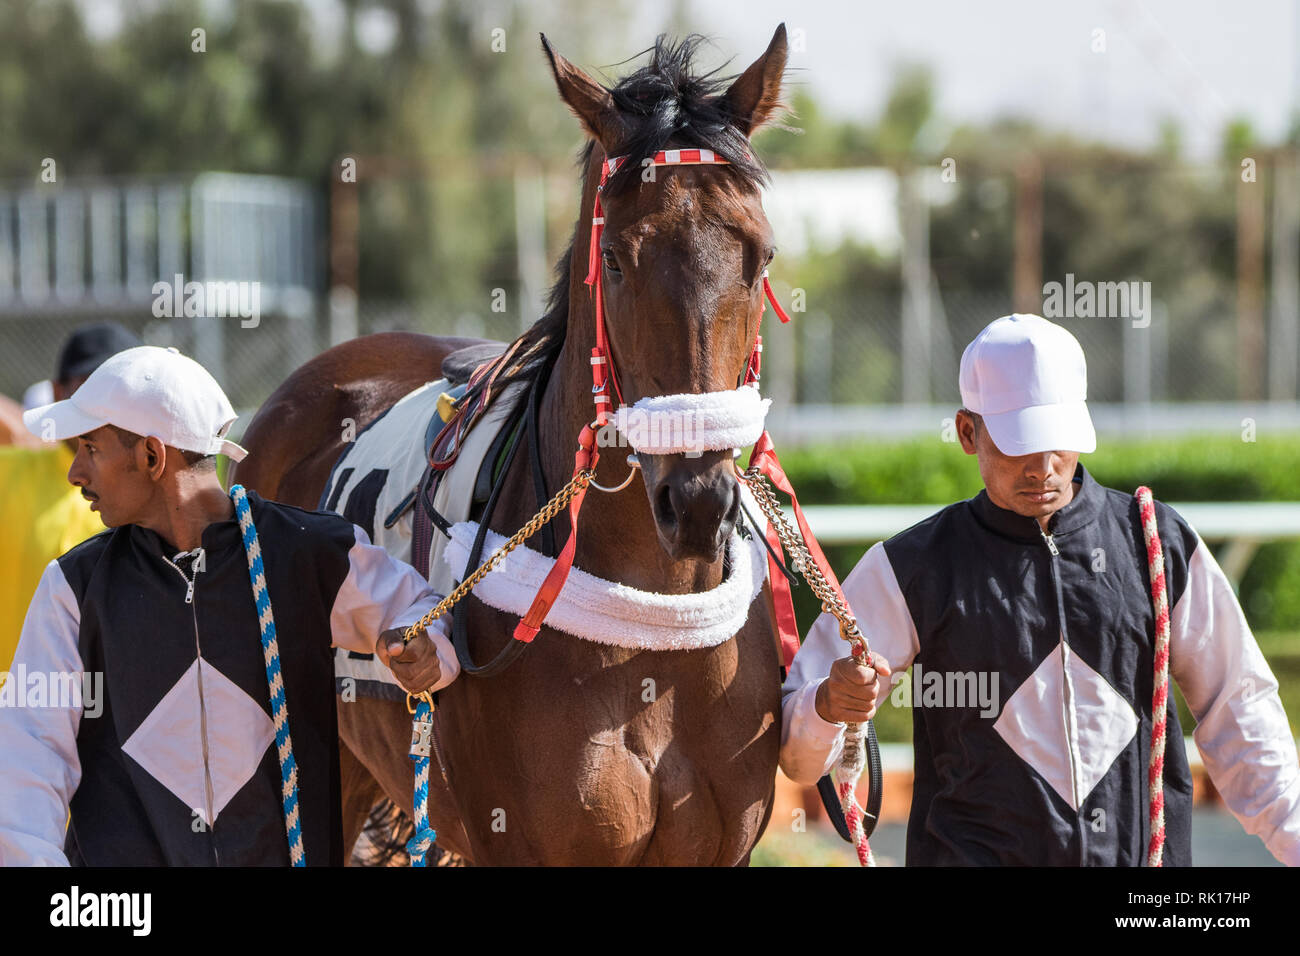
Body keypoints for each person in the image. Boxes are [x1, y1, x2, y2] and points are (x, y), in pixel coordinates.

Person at [780, 313, 1300, 866]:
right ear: (966, 432)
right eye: (1019, 444)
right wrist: (828, 706)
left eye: (1059, 441)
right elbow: (797, 752)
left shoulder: (1159, 544)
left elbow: (1239, 708)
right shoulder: (910, 567)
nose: (1044, 468)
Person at [0, 345, 450, 866]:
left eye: (90, 449)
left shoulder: (307, 554)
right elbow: (28, 754)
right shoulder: (72, 589)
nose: (76, 472)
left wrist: (427, 646)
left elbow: (418, 609)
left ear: (151, 455)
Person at [0, 323, 142, 669]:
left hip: (111, 709)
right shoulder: (9, 471)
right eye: (89, 386)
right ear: (56, 391)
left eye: (117, 389)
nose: (102, 405)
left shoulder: (155, 490)